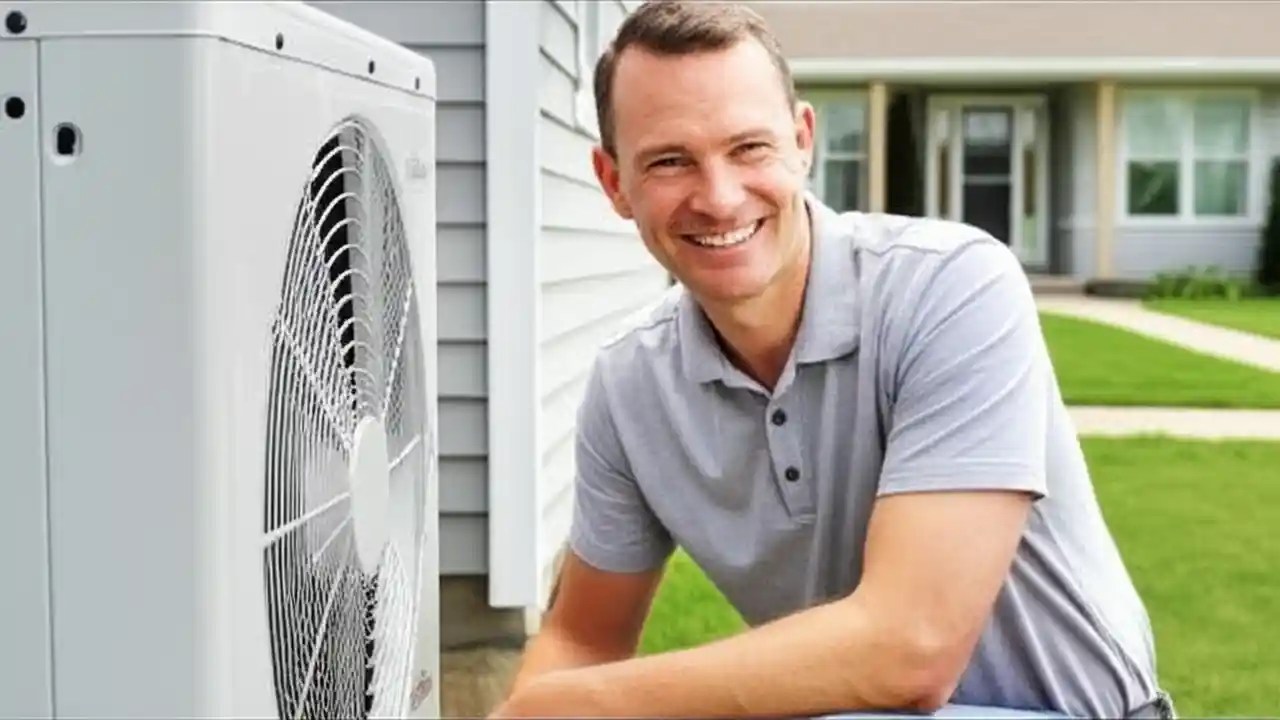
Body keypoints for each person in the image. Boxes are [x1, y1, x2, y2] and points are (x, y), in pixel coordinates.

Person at [490, 1, 1174, 718]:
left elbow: (910, 647)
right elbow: (581, 640)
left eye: (749, 148)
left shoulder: (952, 285)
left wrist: (595, 705)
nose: (720, 199)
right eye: (669, 160)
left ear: (803, 141)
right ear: (612, 183)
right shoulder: (630, 383)